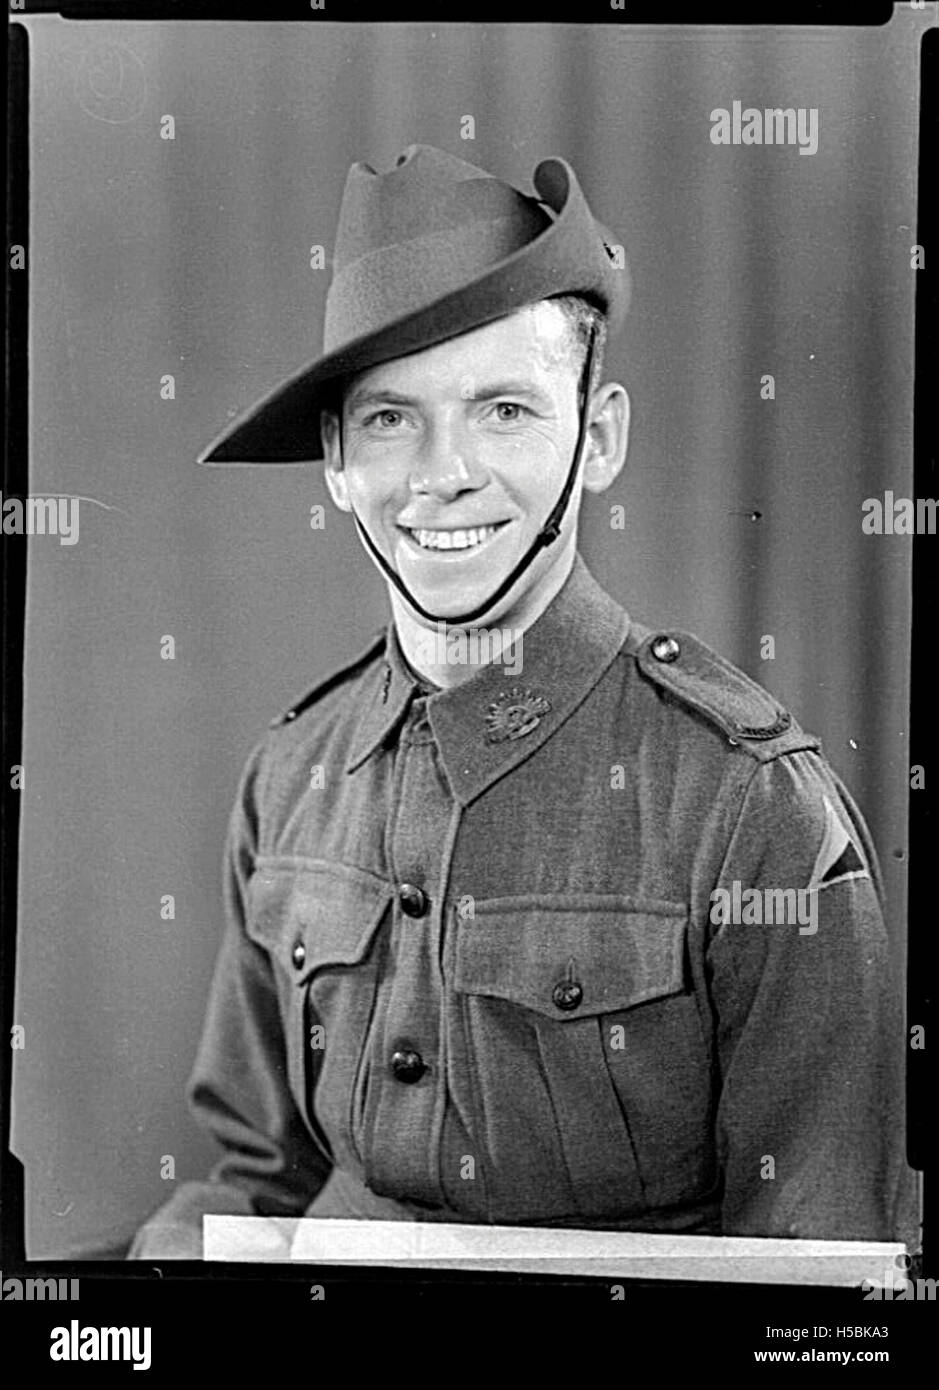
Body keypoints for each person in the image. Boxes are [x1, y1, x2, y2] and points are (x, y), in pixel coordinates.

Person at [129, 144, 913, 1259]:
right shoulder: (292, 774)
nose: (443, 472)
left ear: (597, 439)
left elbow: (817, 1273)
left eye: (502, 408)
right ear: (337, 462)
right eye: (392, 418)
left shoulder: (754, 815)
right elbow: (256, 1185)